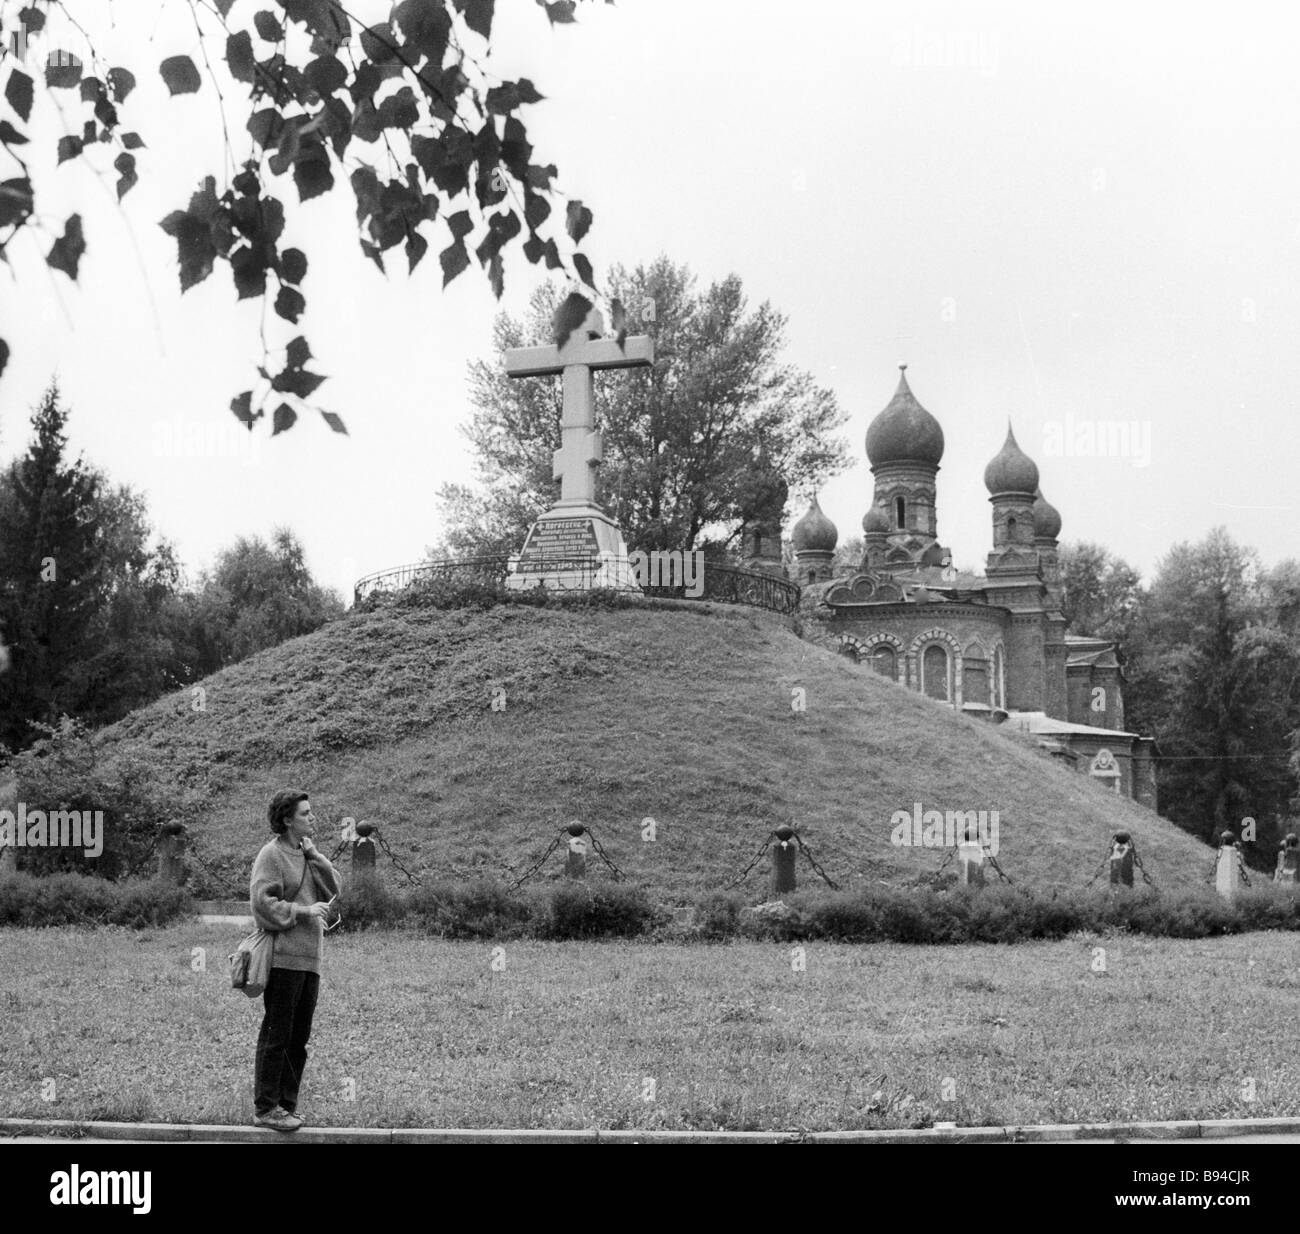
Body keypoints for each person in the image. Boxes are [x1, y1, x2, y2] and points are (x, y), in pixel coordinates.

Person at [249, 790, 341, 1132]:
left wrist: (316, 856)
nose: (313, 818)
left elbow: (335, 891)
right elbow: (261, 903)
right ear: (288, 819)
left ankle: (286, 1105)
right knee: (277, 1034)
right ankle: (265, 1108)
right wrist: (303, 911)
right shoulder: (271, 855)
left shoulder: (306, 852)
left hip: (310, 960)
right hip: (283, 959)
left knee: (299, 1038)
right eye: (306, 813)